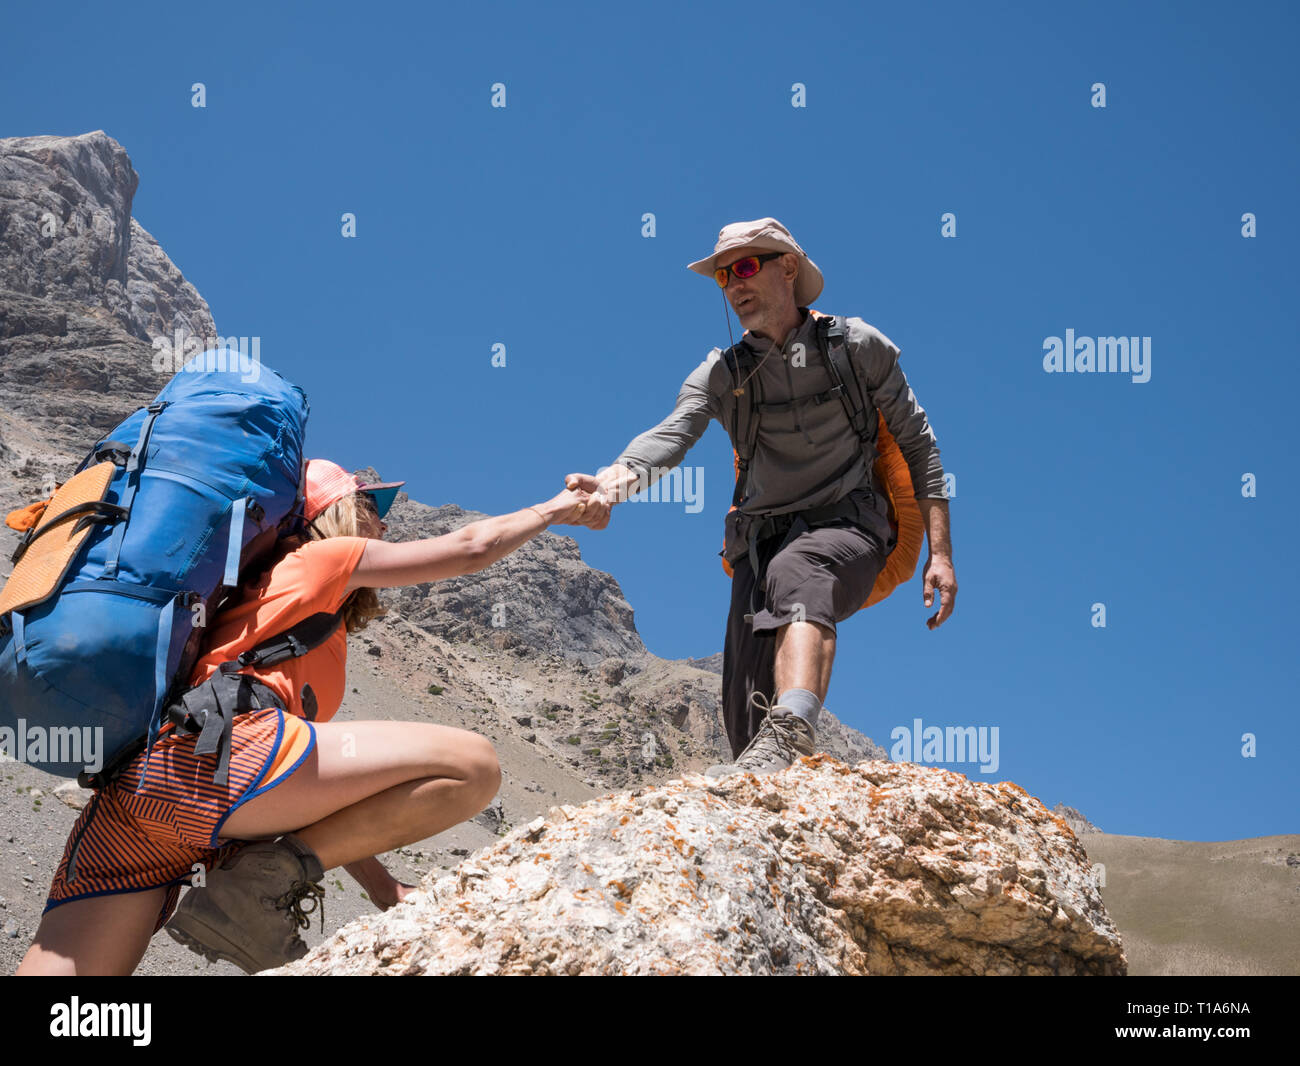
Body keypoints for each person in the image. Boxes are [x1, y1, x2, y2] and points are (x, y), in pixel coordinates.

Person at [17, 460, 594, 975]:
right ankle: (246, 895)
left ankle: (252, 888)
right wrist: (555, 507)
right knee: (473, 764)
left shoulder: (267, 601)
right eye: (369, 507)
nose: (383, 526)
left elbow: (321, 797)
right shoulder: (324, 557)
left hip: (140, 792)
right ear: (330, 516)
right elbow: (472, 547)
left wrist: (383, 888)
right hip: (228, 765)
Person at [567, 218, 956, 777]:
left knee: (802, 572)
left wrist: (939, 554)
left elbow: (921, 448)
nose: (733, 284)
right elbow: (671, 436)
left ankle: (795, 728)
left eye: (746, 267)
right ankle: (769, 793)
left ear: (789, 269)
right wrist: (612, 483)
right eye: (724, 275)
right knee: (743, 701)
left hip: (850, 524)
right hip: (759, 545)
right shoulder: (723, 374)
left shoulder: (858, 348)